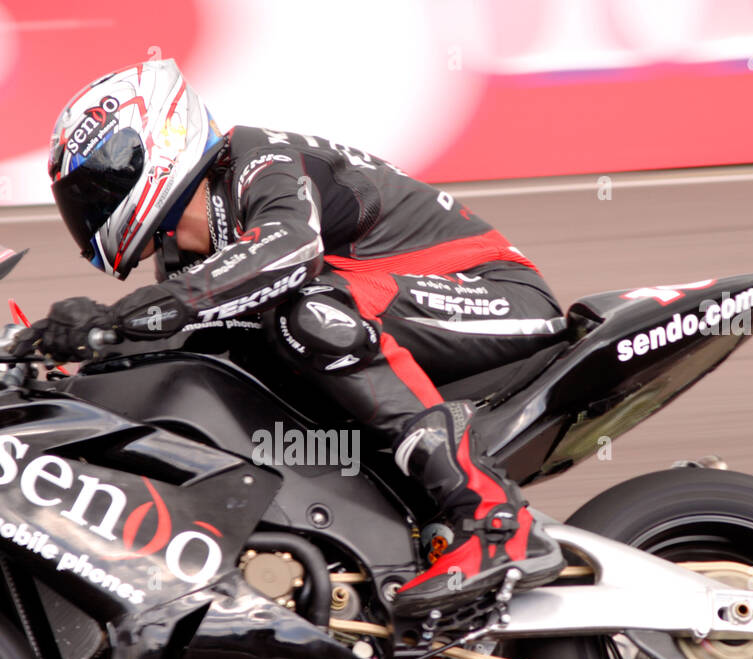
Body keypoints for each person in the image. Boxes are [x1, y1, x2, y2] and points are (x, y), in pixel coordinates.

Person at [30, 58, 565, 617]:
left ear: (158, 142)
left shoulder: (261, 158)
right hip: (395, 312)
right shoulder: (188, 254)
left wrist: (119, 317)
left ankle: (498, 521)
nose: (90, 206)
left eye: (101, 183)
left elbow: (287, 254)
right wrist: (64, 354)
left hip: (493, 296)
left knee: (308, 314)